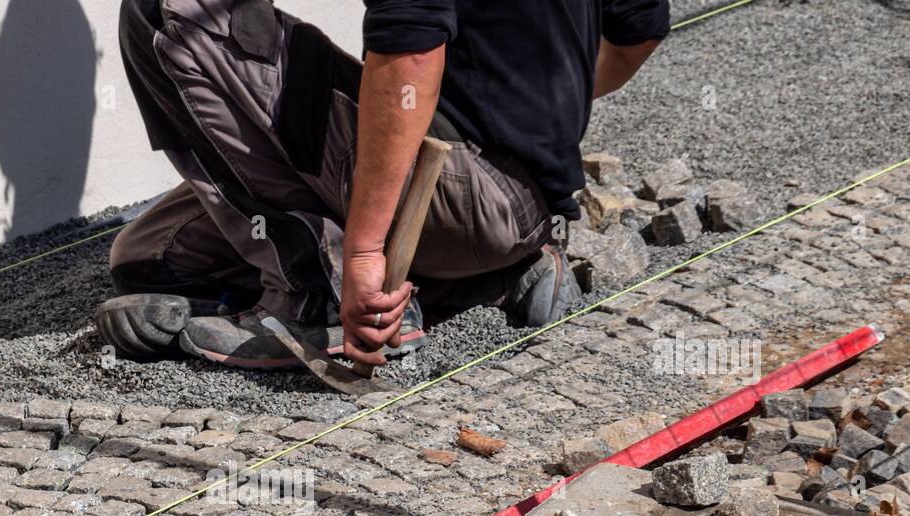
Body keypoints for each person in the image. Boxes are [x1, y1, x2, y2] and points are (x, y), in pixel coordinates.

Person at [96, 0, 669, 370]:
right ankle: (482, 278)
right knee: (152, 258)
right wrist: (525, 124)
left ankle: (313, 296)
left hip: (451, 192)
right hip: (524, 212)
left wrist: (366, 250)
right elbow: (637, 33)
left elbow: (412, 55)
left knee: (167, 8)